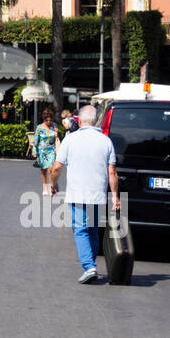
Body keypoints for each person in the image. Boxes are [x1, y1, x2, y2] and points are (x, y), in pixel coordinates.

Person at [49, 104, 119, 284]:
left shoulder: (70, 139)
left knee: (80, 230)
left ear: (79, 120)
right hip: (97, 195)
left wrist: (53, 184)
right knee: (93, 230)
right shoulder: (106, 141)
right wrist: (116, 197)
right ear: (96, 120)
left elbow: (57, 167)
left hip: (77, 194)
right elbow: (112, 172)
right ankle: (91, 264)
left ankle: (89, 267)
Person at [33, 107, 58, 197]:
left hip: (51, 150)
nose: (49, 122)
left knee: (51, 169)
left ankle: (52, 187)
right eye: (47, 120)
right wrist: (34, 150)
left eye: (50, 120)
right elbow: (36, 140)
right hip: (42, 151)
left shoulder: (54, 126)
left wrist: (56, 133)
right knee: (43, 170)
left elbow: (57, 139)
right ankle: (45, 188)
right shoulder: (39, 128)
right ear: (44, 119)